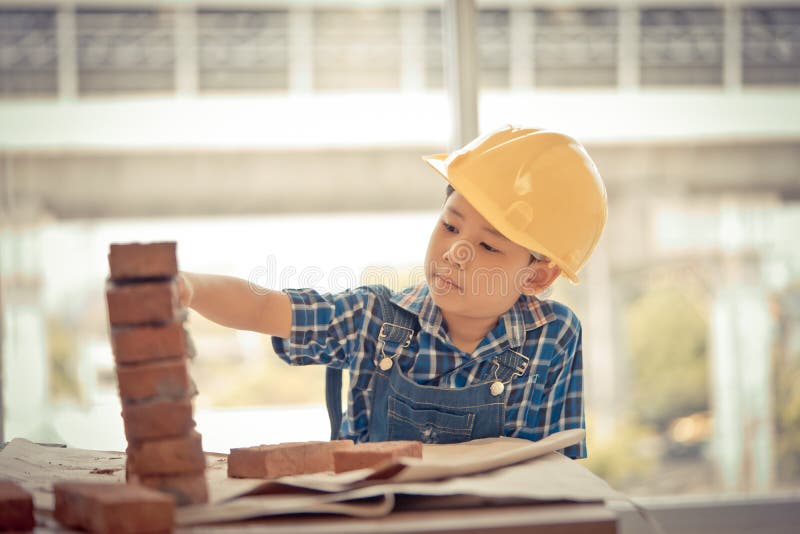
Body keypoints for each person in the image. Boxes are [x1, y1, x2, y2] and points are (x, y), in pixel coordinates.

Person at [179, 126, 607, 459]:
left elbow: (559, 466)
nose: (456, 252)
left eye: (489, 245)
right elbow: (263, 308)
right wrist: (190, 287)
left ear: (535, 277)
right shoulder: (374, 319)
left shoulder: (553, 336)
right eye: (451, 226)